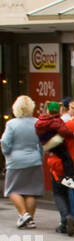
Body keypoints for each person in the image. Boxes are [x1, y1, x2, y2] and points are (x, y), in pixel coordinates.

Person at [45, 102, 74, 236]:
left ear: (73, 110)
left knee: (59, 193)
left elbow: (53, 143)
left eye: (69, 108)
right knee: (71, 192)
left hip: (60, 165)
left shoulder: (69, 125)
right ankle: (72, 217)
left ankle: (66, 217)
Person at [2, 95, 44, 228]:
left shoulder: (12, 124)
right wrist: (39, 157)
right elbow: (41, 143)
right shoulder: (37, 123)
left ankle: (23, 214)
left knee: (12, 190)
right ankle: (29, 219)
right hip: (34, 160)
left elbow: (5, 142)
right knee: (31, 191)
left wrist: (7, 153)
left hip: (16, 161)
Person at [34, 100, 74, 192]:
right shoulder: (56, 121)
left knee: (57, 158)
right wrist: (72, 135)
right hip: (55, 143)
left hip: (45, 144)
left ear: (48, 111)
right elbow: (64, 131)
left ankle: (60, 177)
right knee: (67, 158)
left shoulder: (40, 121)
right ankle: (68, 178)